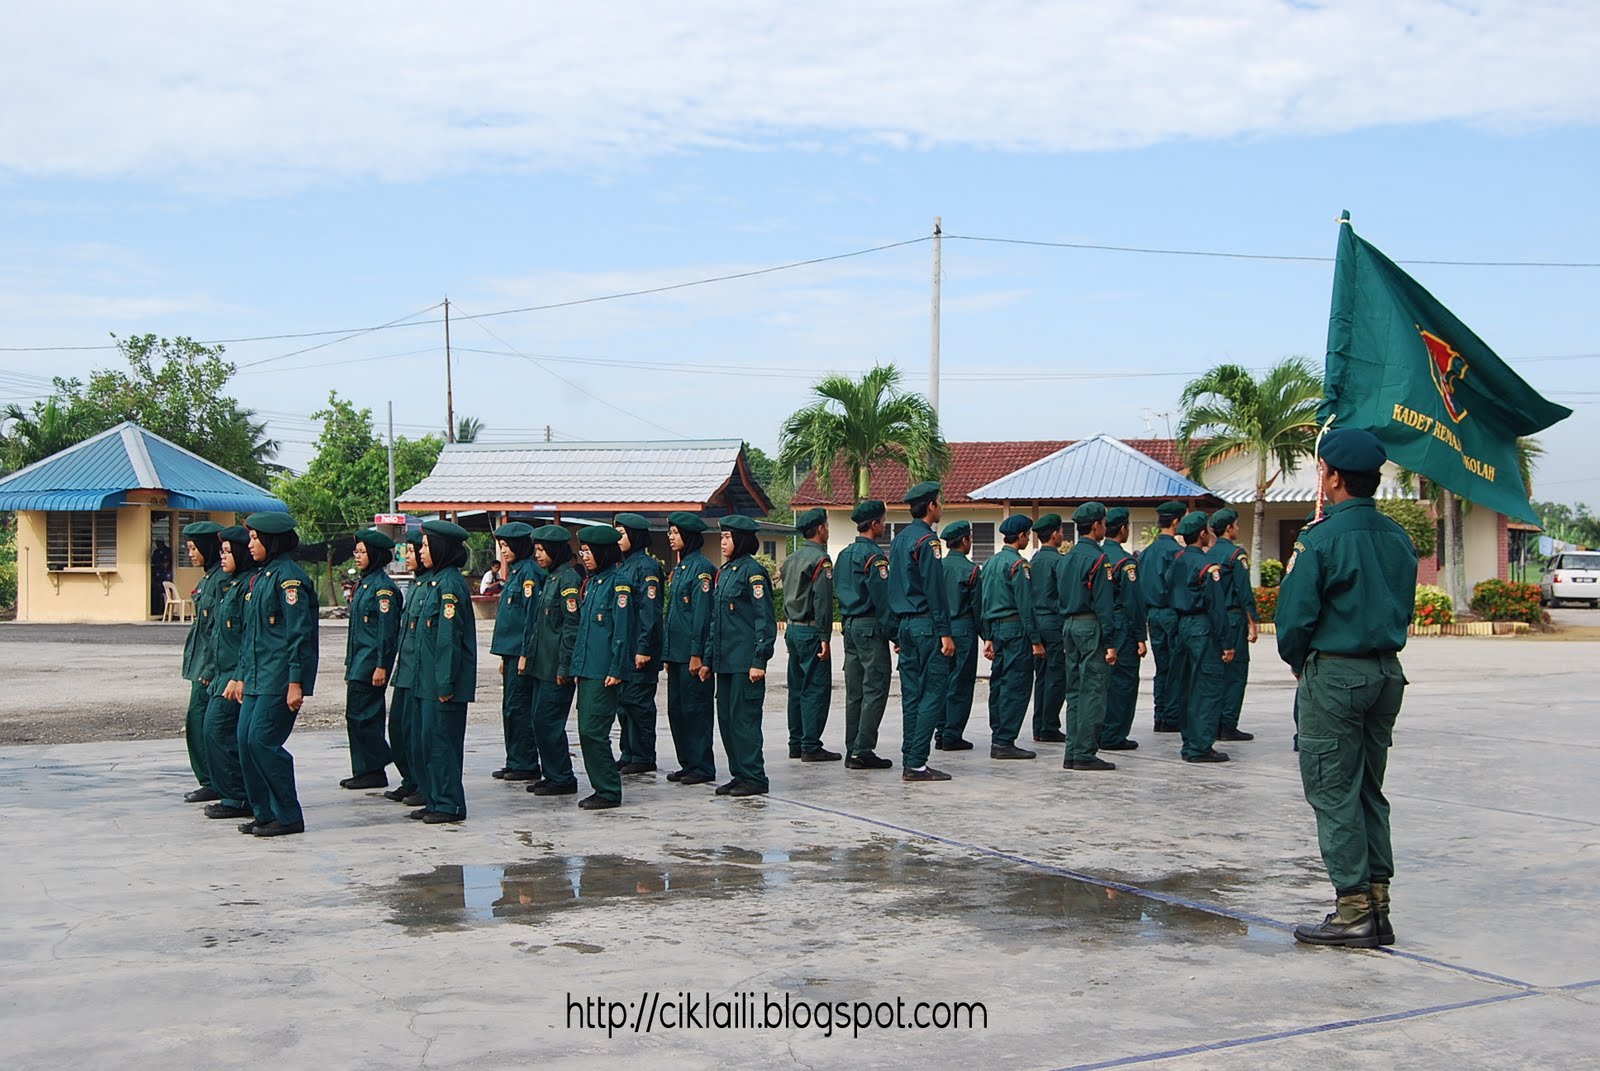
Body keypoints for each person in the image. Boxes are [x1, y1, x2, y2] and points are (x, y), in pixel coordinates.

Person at [1276, 428, 1416, 948]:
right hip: (1385, 671)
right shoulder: (1398, 537)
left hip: (1336, 673)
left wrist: (1299, 661)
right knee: (1368, 791)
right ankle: (1378, 908)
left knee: (1333, 792)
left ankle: (1354, 910)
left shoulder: (1320, 538)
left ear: (1331, 476)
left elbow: (1294, 617)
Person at [225, 511, 318, 837]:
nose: (250, 545)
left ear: (272, 540)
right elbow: (251, 635)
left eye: (255, 538)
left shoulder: (290, 580)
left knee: (263, 741)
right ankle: (264, 813)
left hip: (278, 678)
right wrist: (239, 676)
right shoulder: (261, 578)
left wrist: (297, 683)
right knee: (245, 741)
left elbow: (298, 635)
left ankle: (288, 814)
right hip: (256, 677)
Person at [409, 519, 477, 824]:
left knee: (442, 745)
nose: (421, 551)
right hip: (427, 681)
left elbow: (448, 640)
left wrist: (445, 682)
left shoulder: (449, 586)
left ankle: (450, 804)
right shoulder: (435, 583)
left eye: (426, 546)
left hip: (443, 683)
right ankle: (436, 798)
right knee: (428, 742)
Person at [888, 481, 954, 782]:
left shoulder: (900, 540)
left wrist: (896, 631)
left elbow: (891, 587)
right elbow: (935, 589)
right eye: (940, 502)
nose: (942, 507)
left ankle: (909, 759)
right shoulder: (928, 542)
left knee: (912, 696)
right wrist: (945, 631)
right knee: (933, 692)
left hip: (905, 625)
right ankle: (916, 762)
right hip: (927, 625)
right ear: (930, 506)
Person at [707, 515, 777, 797]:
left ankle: (754, 776)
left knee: (744, 720)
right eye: (722, 537)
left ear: (742, 540)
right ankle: (739, 773)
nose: (723, 542)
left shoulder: (753, 573)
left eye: (728, 537)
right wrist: (710, 658)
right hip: (725, 661)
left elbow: (764, 619)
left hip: (745, 662)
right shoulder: (725, 572)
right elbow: (716, 619)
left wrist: (759, 660)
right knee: (726, 720)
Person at [570, 525, 635, 810]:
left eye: (589, 552)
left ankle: (608, 789)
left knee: (594, 731)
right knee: (586, 731)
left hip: (604, 672)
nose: (584, 557)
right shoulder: (593, 584)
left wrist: (616, 668)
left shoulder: (618, 586)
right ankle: (601, 786)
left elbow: (622, 632)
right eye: (582, 551)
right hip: (587, 670)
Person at [197, 526, 257, 820]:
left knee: (219, 730)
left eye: (228, 552)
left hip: (236, 674)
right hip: (223, 673)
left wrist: (241, 676)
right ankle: (230, 793)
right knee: (213, 731)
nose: (222, 557)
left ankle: (238, 796)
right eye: (221, 552)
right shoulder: (232, 585)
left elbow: (249, 638)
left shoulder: (248, 587)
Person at [520, 524, 584, 797]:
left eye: (542, 550)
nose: (538, 555)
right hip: (542, 665)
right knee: (538, 721)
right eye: (536, 550)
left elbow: (571, 627)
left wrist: (565, 666)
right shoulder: (553, 578)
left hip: (556, 667)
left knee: (549, 722)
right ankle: (551, 773)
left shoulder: (568, 580)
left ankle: (563, 777)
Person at [834, 500, 894, 771]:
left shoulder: (844, 554)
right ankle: (863, 749)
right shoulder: (875, 556)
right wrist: (896, 635)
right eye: (882, 522)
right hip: (871, 626)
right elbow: (882, 600)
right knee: (875, 688)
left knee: (855, 691)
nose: (883, 526)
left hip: (850, 625)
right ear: (873, 524)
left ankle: (852, 749)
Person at [1169, 512, 1234, 764]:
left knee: (1186, 686)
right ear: (1201, 534)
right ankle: (1200, 746)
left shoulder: (1178, 560)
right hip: (1203, 626)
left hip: (1183, 624)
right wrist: (1227, 642)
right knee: (1206, 687)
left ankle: (1190, 741)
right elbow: (1217, 606)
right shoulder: (1208, 565)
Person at [1058, 502, 1118, 772]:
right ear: (1096, 526)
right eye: (1103, 523)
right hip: (1091, 626)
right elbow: (1104, 604)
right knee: (1093, 690)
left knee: (1074, 692)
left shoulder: (1067, 557)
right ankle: (1085, 752)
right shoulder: (1098, 558)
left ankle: (1072, 752)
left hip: (1069, 625)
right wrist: (1111, 642)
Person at [341, 528, 403, 790]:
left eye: (362, 552)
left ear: (375, 555)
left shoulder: (383, 590)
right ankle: (366, 768)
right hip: (358, 662)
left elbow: (386, 633)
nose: (357, 556)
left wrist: (381, 665)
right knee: (355, 716)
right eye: (356, 552)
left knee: (365, 716)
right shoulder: (364, 585)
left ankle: (377, 763)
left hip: (371, 664)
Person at [661, 513, 718, 786]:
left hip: (692, 655)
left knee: (696, 710)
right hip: (676, 653)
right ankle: (687, 762)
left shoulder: (702, 569)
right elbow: (673, 614)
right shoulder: (681, 569)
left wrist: (697, 653)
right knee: (677, 710)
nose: (670, 537)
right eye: (670, 532)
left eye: (675, 532)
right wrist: (668, 653)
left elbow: (701, 616)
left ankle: (702, 765)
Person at [980, 514, 1042, 760]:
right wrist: (1035, 640)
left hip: (996, 629)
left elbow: (983, 602)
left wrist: (987, 636)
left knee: (999, 684)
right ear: (1022, 536)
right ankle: (1005, 741)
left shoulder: (991, 563)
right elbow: (1025, 605)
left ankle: (999, 736)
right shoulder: (1018, 565)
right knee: (1016, 685)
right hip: (1016, 630)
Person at [782, 507, 838, 761]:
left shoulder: (792, 559)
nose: (827, 530)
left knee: (796, 688)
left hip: (792, 628)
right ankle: (811, 745)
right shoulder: (821, 560)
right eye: (826, 526)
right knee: (815, 688)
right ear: (819, 529)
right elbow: (823, 601)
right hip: (812, 630)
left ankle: (796, 742)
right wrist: (825, 637)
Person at [490, 521, 544, 782]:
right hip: (510, 653)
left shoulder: (530, 574)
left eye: (507, 546)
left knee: (520, 707)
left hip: (522, 653)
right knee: (510, 708)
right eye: (501, 546)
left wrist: (525, 653)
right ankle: (514, 760)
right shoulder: (515, 572)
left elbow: (531, 618)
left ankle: (526, 762)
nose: (504, 551)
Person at [179, 520, 226, 803]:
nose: (191, 554)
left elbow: (219, 631)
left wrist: (209, 668)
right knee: (196, 722)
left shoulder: (221, 580)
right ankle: (209, 779)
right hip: (201, 665)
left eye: (195, 548)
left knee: (204, 722)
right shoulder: (209, 578)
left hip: (210, 668)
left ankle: (214, 779)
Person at [614, 513, 664, 775]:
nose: (618, 538)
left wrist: (644, 647)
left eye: (622, 533)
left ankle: (644, 755)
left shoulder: (646, 567)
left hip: (639, 648)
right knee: (624, 705)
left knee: (639, 705)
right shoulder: (623, 566)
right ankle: (628, 752)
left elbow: (650, 611)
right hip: (625, 649)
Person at [1208, 508, 1260, 743]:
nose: (1238, 529)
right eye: (1236, 525)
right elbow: (1243, 590)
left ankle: (1214, 721)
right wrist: (1253, 621)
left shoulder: (1208, 553)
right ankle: (1228, 723)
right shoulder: (1236, 554)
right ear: (1229, 528)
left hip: (1213, 618)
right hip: (1233, 618)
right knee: (1236, 671)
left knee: (1216, 671)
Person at [383, 531, 428, 805]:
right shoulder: (419, 586)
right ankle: (410, 779)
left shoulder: (439, 586)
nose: (412, 556)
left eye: (414, 550)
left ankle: (422, 783)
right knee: (399, 729)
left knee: (416, 732)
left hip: (420, 674)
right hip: (406, 669)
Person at [1099, 507, 1147, 751]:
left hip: (1096, 624)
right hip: (1120, 626)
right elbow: (1133, 603)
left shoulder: (1094, 554)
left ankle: (1097, 729)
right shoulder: (1124, 562)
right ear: (1124, 529)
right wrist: (1140, 635)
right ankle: (1114, 734)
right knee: (1123, 682)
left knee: (1100, 682)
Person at [1139, 501, 1189, 733]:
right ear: (1177, 522)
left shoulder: (1147, 553)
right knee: (1177, 666)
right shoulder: (1176, 552)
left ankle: (1160, 714)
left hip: (1153, 615)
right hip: (1172, 613)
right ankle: (1172, 716)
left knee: (1162, 668)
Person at [936, 520, 981, 752]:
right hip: (963, 629)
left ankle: (941, 731)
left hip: (940, 630)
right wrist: (987, 636)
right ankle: (952, 734)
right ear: (964, 541)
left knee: (941, 681)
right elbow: (977, 608)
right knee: (961, 683)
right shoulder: (971, 570)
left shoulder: (937, 568)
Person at [1028, 514, 1068, 744]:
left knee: (1041, 676)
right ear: (1055, 534)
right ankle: (1049, 726)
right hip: (1053, 621)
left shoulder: (1033, 561)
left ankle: (1039, 725)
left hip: (1037, 621)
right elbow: (1063, 595)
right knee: (1056, 676)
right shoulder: (1058, 561)